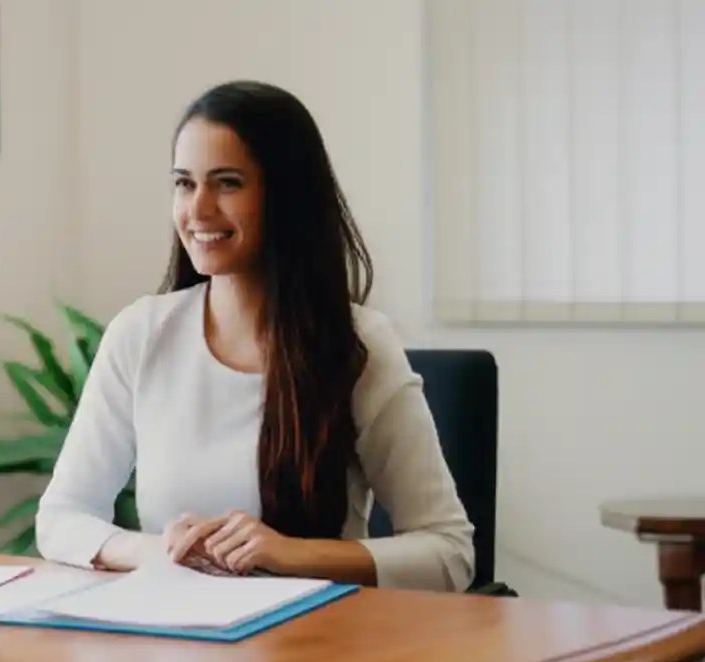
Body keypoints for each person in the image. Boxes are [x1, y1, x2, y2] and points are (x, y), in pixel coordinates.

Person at [35, 81, 475, 593]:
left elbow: (449, 552)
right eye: (184, 183)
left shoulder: (358, 345)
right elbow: (62, 518)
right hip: (175, 640)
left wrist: (289, 553)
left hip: (316, 648)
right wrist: (158, 550)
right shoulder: (141, 333)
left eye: (226, 183)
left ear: (287, 196)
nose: (197, 210)